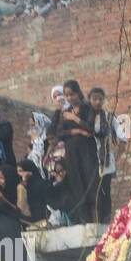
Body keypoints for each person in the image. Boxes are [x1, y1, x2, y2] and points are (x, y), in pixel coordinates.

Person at [48, 80, 99, 222]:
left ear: (78, 93)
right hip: (72, 155)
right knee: (77, 186)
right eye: (67, 95)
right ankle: (84, 220)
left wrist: (74, 118)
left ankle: (95, 220)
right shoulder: (66, 112)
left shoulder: (87, 108)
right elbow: (60, 133)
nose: (69, 98)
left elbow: (90, 128)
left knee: (89, 184)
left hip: (86, 153)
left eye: (72, 94)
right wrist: (77, 130)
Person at [88, 87, 123, 221]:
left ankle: (105, 219)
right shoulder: (85, 117)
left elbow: (122, 138)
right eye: (94, 99)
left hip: (105, 161)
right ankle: (94, 219)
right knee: (92, 190)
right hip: (89, 160)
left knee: (104, 190)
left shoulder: (108, 117)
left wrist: (116, 157)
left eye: (100, 99)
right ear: (89, 100)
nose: (97, 102)